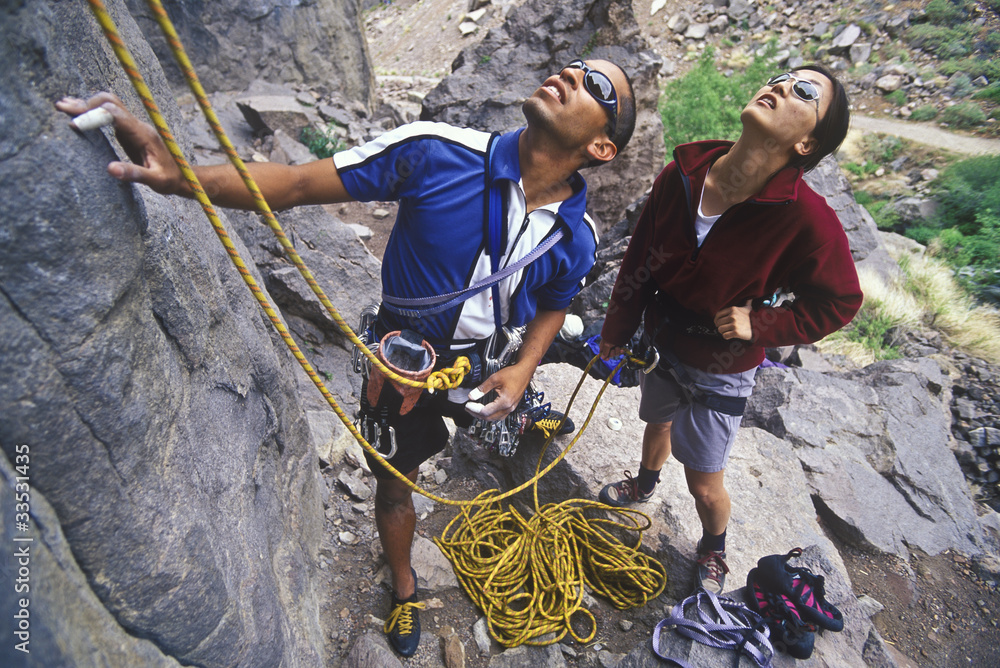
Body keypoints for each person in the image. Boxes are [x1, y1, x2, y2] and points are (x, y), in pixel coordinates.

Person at [57, 58, 636, 656]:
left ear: (601, 147)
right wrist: (182, 176)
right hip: (401, 365)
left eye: (594, 86)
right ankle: (405, 588)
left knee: (540, 364)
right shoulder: (436, 153)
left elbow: (553, 302)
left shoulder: (578, 235)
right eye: (572, 67)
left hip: (484, 368)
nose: (569, 75)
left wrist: (524, 367)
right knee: (393, 484)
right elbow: (297, 184)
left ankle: (523, 402)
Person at [597, 65, 862, 595]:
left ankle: (713, 546)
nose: (783, 85)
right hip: (662, 342)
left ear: (808, 141)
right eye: (783, 76)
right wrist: (617, 329)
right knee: (656, 419)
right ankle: (645, 482)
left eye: (804, 92)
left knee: (703, 479)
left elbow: (840, 301)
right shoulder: (681, 176)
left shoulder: (807, 220)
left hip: (723, 365)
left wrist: (761, 324)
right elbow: (639, 260)